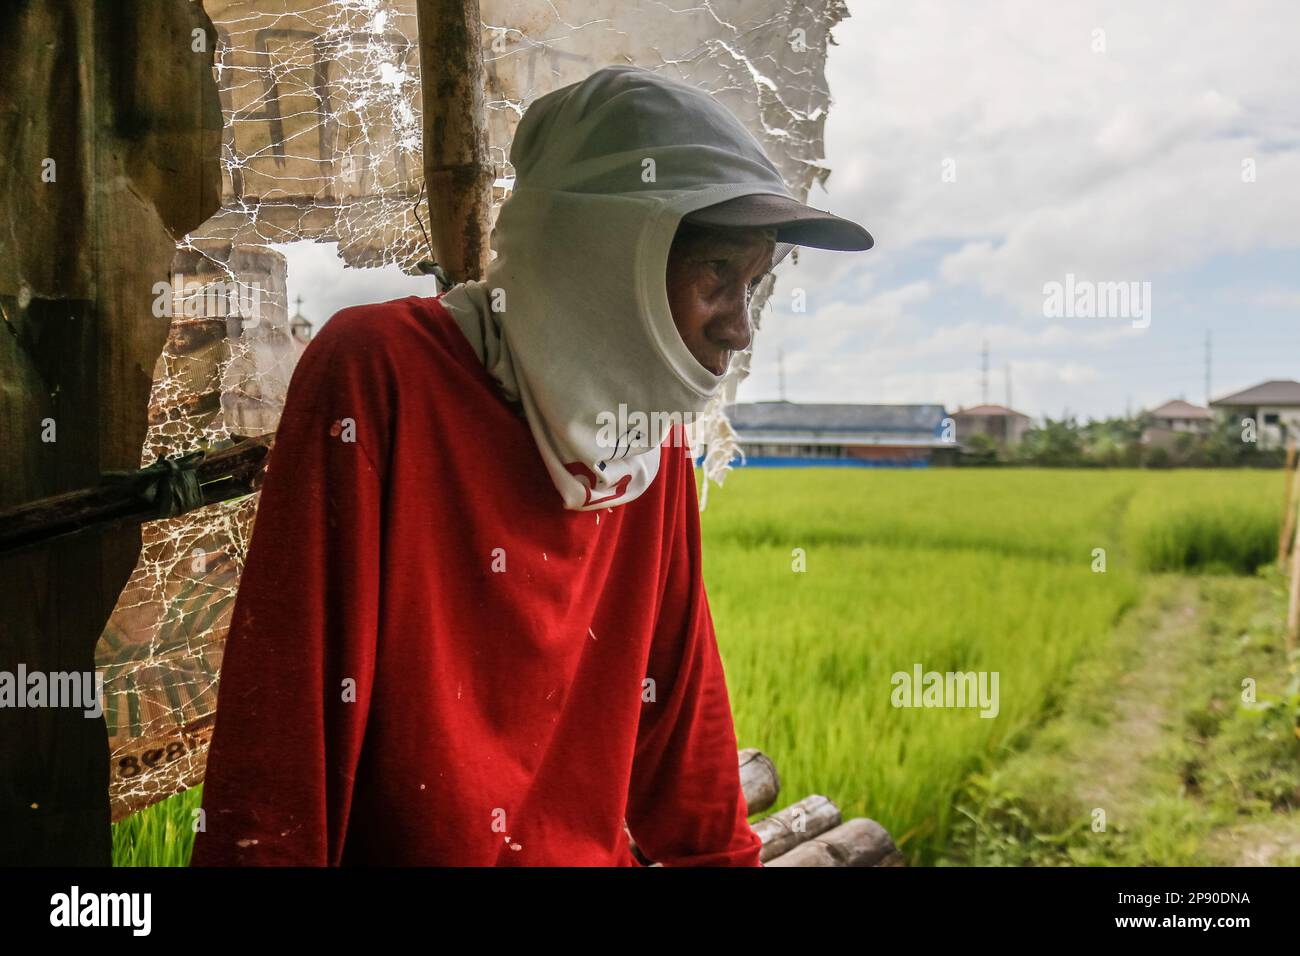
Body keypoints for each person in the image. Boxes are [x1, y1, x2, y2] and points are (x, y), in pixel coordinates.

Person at [191, 65, 872, 867]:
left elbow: (682, 723)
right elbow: (285, 729)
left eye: (753, 286)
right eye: (717, 272)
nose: (738, 331)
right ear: (606, 252)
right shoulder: (383, 374)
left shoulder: (649, 446)